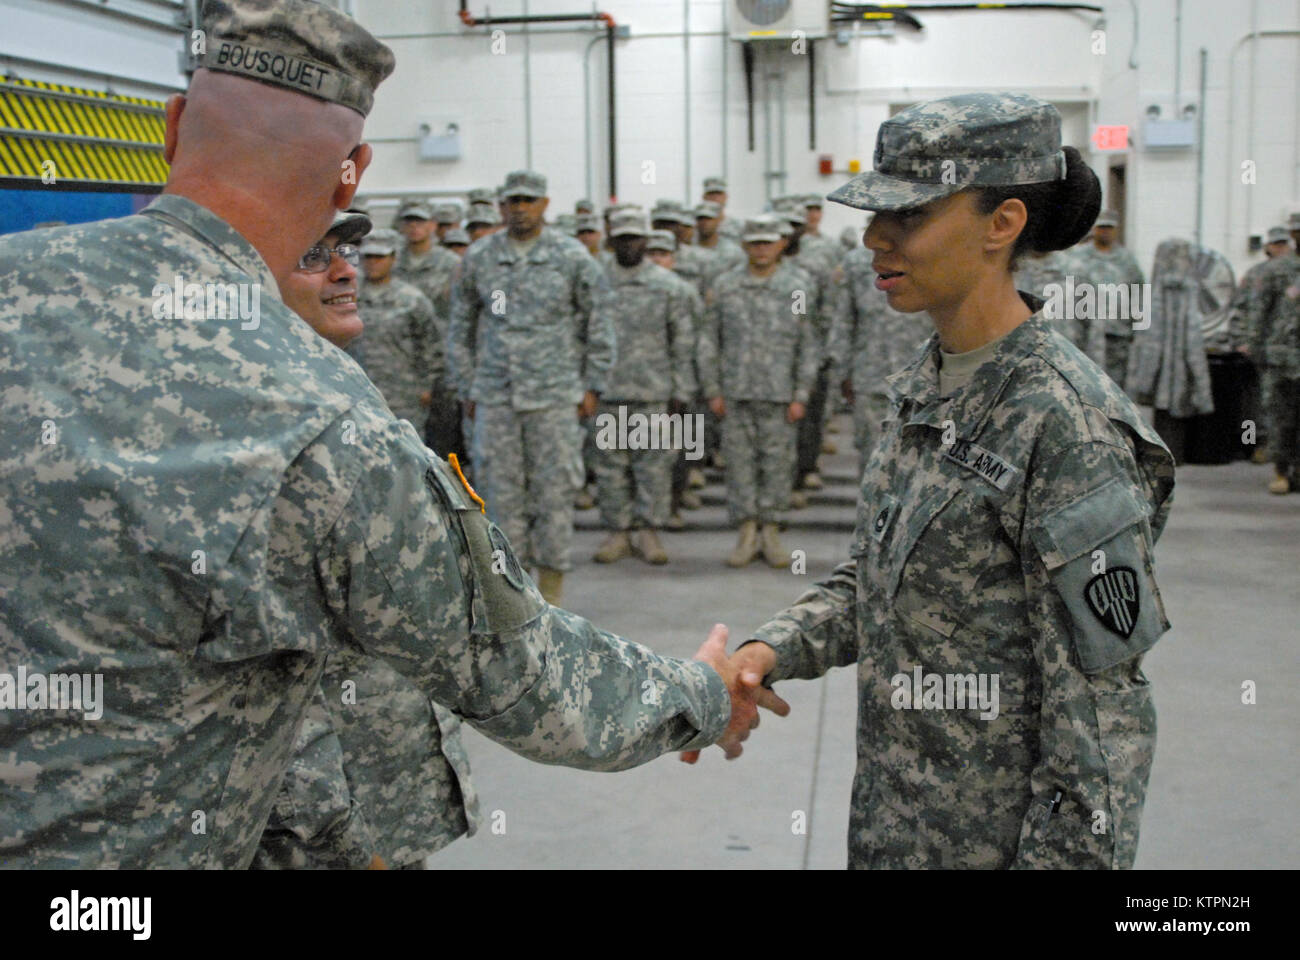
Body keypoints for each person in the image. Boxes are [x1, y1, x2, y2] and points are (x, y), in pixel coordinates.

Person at [0, 0, 771, 870]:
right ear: (350, 175)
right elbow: (522, 676)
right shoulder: (326, 419)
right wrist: (701, 691)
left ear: (172, 128)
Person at [689, 93, 1176, 870]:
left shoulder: (1067, 425)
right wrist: (765, 651)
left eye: (908, 215)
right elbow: (874, 582)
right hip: (894, 827)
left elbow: (1103, 723)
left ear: (1002, 224)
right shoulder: (924, 387)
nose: (874, 237)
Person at [260, 210, 479, 871]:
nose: (347, 270)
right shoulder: (252, 429)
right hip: (314, 833)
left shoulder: (342, 393)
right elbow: (257, 675)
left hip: (379, 803)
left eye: (347, 252)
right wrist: (343, 839)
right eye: (312, 256)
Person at [446, 169, 616, 605]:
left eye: (528, 200)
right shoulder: (480, 258)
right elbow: (460, 328)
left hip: (555, 395)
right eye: (512, 200)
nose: (519, 208)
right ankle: (512, 592)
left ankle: (553, 590)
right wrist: (466, 386)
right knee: (499, 494)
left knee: (555, 491)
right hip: (496, 396)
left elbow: (599, 321)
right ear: (501, 206)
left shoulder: (572, 256)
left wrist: (593, 382)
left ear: (544, 204)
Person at [698, 215, 820, 569]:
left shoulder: (797, 288)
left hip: (780, 393)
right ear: (744, 245)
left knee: (778, 464)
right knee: (739, 465)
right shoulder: (725, 286)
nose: (762, 249)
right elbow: (709, 341)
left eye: (768, 242)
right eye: (755, 243)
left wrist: (801, 393)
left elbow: (807, 341)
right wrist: (712, 388)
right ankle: (746, 531)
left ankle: (771, 531)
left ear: (782, 244)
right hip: (735, 391)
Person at [590, 210, 697, 565]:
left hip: (654, 393)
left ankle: (648, 531)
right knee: (610, 468)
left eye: (635, 238)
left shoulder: (670, 287)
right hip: (606, 392)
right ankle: (617, 532)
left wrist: (681, 390)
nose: (629, 244)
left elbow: (682, 341)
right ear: (611, 241)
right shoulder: (594, 282)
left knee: (653, 468)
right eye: (622, 238)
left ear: (646, 241)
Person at [828, 214, 931, 476]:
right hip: (870, 376)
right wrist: (842, 371)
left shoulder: (928, 256)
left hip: (922, 378)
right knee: (872, 456)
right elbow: (844, 319)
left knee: (921, 459)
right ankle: (872, 517)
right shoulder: (856, 264)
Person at [1232, 214, 1300, 492]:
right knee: (1281, 417)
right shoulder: (1277, 270)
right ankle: (1282, 470)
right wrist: (1254, 348)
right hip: (1281, 357)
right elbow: (1259, 312)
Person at [1070, 209, 1146, 384]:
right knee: (1087, 381)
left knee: (1115, 382)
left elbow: (1139, 294)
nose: (1105, 231)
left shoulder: (1127, 260)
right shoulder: (1078, 258)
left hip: (1117, 333)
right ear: (1094, 229)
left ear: (1116, 230)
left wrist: (1139, 329)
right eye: (1101, 227)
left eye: (1109, 228)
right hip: (1086, 334)